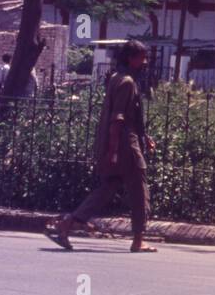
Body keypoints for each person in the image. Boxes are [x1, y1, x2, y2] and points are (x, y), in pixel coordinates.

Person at [46, 40, 156, 253]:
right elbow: (118, 119)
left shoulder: (116, 78)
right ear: (131, 58)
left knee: (108, 187)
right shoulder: (127, 82)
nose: (145, 62)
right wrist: (113, 151)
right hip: (126, 147)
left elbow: (126, 116)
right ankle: (138, 239)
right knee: (139, 190)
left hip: (119, 142)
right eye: (142, 57)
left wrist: (144, 135)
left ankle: (67, 225)